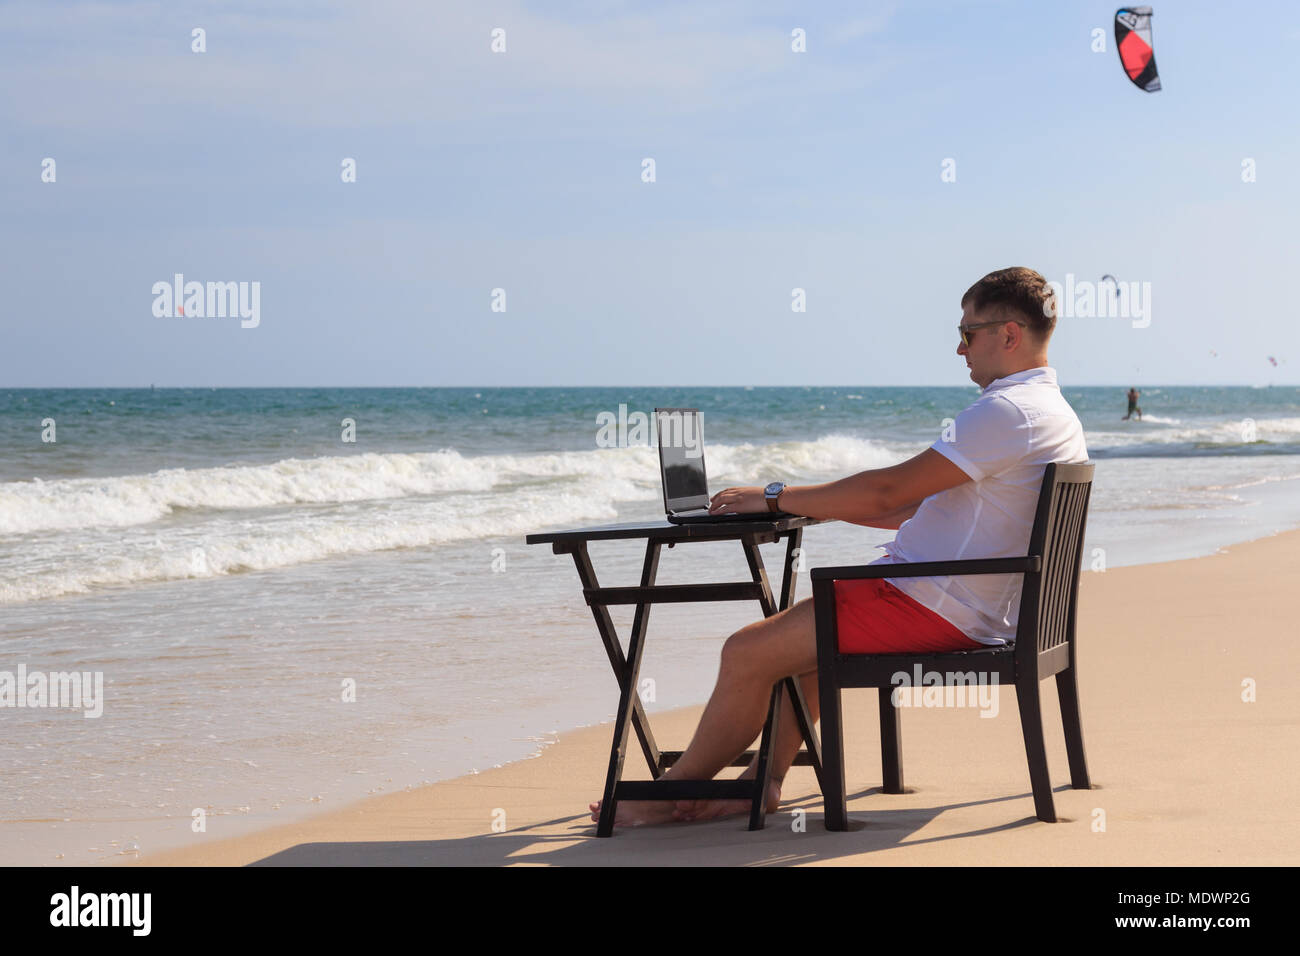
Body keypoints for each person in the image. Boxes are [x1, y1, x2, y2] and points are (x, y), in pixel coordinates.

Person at [589, 266, 1089, 827]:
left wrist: (776, 497)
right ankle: (760, 783)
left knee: (747, 652)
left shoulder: (1008, 411)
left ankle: (669, 794)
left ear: (1009, 334)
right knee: (795, 643)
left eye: (968, 332)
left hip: (936, 606)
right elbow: (905, 507)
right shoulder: (1050, 411)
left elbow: (886, 492)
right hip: (967, 601)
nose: (959, 347)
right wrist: (806, 503)